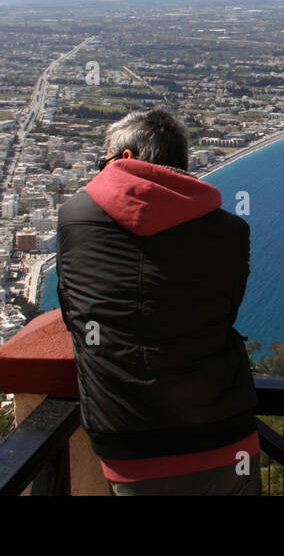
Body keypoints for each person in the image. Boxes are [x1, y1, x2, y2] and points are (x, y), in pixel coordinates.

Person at [55, 107, 260, 495]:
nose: (99, 170)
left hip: (128, 442)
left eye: (104, 161)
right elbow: (222, 313)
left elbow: (73, 313)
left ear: (126, 160)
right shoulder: (231, 231)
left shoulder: (74, 219)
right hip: (225, 434)